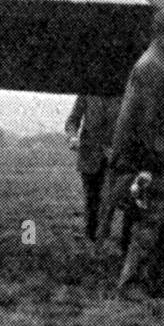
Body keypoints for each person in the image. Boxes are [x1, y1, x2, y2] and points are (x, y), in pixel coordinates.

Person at [109, 10, 164, 297]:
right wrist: (148, 164)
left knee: (156, 220)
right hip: (153, 156)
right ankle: (131, 284)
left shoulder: (159, 63)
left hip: (158, 153)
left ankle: (150, 280)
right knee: (149, 220)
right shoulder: (154, 66)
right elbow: (145, 119)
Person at [64, 94, 121, 248]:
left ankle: (101, 237)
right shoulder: (86, 93)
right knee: (91, 198)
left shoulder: (122, 93)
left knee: (108, 199)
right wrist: (72, 137)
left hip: (112, 157)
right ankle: (91, 238)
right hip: (89, 154)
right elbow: (72, 120)